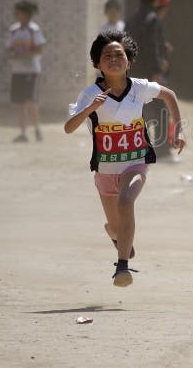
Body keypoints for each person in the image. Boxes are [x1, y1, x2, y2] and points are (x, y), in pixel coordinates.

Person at [64, 28, 185, 287]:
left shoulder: (139, 88)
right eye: (107, 55)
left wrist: (180, 129)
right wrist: (91, 108)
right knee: (116, 226)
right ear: (98, 63)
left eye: (119, 54)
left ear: (129, 61)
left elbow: (169, 95)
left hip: (135, 161)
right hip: (105, 172)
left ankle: (122, 268)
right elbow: (68, 127)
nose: (114, 59)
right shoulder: (89, 94)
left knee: (126, 202)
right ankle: (116, 235)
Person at [124, 0, 171, 155]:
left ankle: (136, 147)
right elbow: (151, 48)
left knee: (138, 111)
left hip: (133, 72)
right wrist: (157, 70)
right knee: (160, 109)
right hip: (149, 73)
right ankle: (163, 150)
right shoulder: (153, 20)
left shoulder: (131, 19)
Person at [6, 0, 47, 142]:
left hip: (31, 71)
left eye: (17, 11)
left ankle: (36, 128)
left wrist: (23, 54)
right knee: (20, 103)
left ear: (24, 13)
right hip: (17, 71)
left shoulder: (34, 30)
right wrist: (11, 54)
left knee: (30, 101)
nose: (15, 14)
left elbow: (40, 50)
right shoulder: (13, 30)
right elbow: (9, 48)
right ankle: (23, 133)